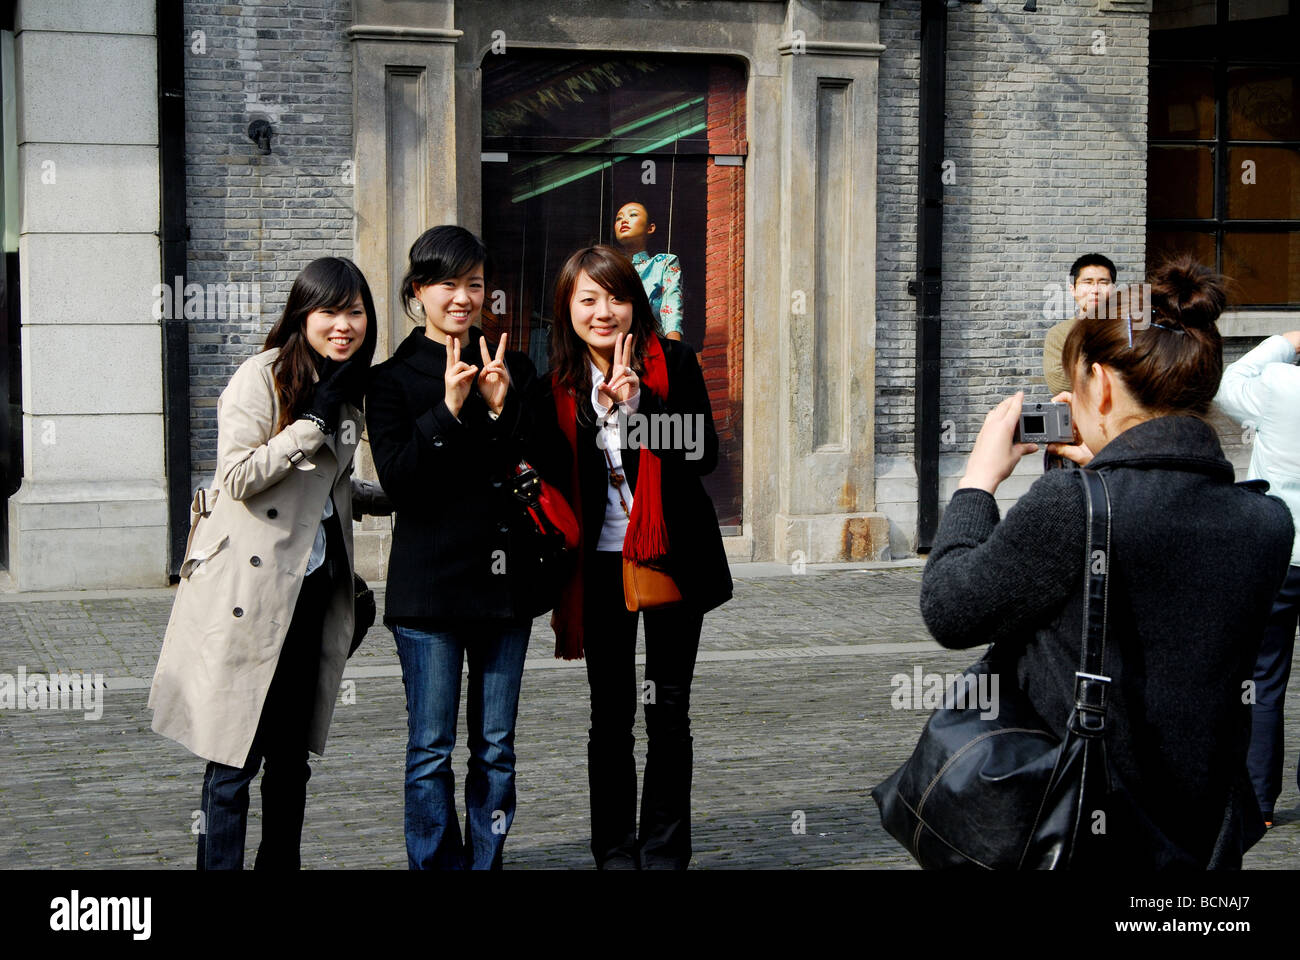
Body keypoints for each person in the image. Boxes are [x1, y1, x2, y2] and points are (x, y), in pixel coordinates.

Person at [920, 257, 1294, 868]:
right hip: (1204, 837)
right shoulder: (1266, 521)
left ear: (1098, 384)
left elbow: (950, 610)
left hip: (1084, 827)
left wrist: (976, 483)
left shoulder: (1071, 506)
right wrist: (1109, 466)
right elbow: (1165, 524)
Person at [149, 256, 378, 870]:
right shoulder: (263, 376)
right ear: (302, 316)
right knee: (232, 757)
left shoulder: (348, 394)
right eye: (329, 311)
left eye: (354, 312)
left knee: (290, 761)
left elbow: (332, 490)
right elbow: (238, 477)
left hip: (310, 598)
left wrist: (400, 490)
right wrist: (310, 423)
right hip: (249, 596)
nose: (343, 325)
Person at [365, 225, 552, 869]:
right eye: (448, 283)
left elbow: (536, 467)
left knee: (496, 746)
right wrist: (446, 409)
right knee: (430, 749)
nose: (463, 297)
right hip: (428, 595)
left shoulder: (515, 366)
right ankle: (435, 864)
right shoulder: (390, 381)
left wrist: (501, 411)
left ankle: (486, 863)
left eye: (475, 284)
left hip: (503, 592)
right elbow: (401, 484)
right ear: (419, 291)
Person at [539, 244, 732, 869]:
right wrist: (599, 415)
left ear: (635, 303)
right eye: (588, 299)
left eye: (616, 297)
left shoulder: (672, 361)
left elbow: (703, 452)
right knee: (611, 715)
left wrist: (639, 413)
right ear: (568, 308)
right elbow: (550, 475)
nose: (603, 312)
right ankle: (616, 855)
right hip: (598, 565)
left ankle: (665, 854)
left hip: (670, 556)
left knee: (667, 711)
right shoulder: (560, 383)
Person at [1214, 328, 1300, 828]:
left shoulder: (1278, 386)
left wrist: (1287, 337)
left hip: (1279, 551)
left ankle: (1262, 803)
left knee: (1264, 680)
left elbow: (1229, 382)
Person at [1043, 253, 1117, 396]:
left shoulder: (1128, 329)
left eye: (1103, 283)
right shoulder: (1059, 334)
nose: (1095, 290)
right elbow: (1058, 383)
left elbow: (1142, 376)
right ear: (1073, 290)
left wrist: (1080, 371)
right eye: (1088, 282)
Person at [613, 201, 684, 341]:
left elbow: (671, 309)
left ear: (650, 228)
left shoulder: (664, 263)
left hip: (653, 349)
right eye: (619, 218)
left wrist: (675, 353)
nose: (624, 221)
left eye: (633, 214)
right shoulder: (610, 269)